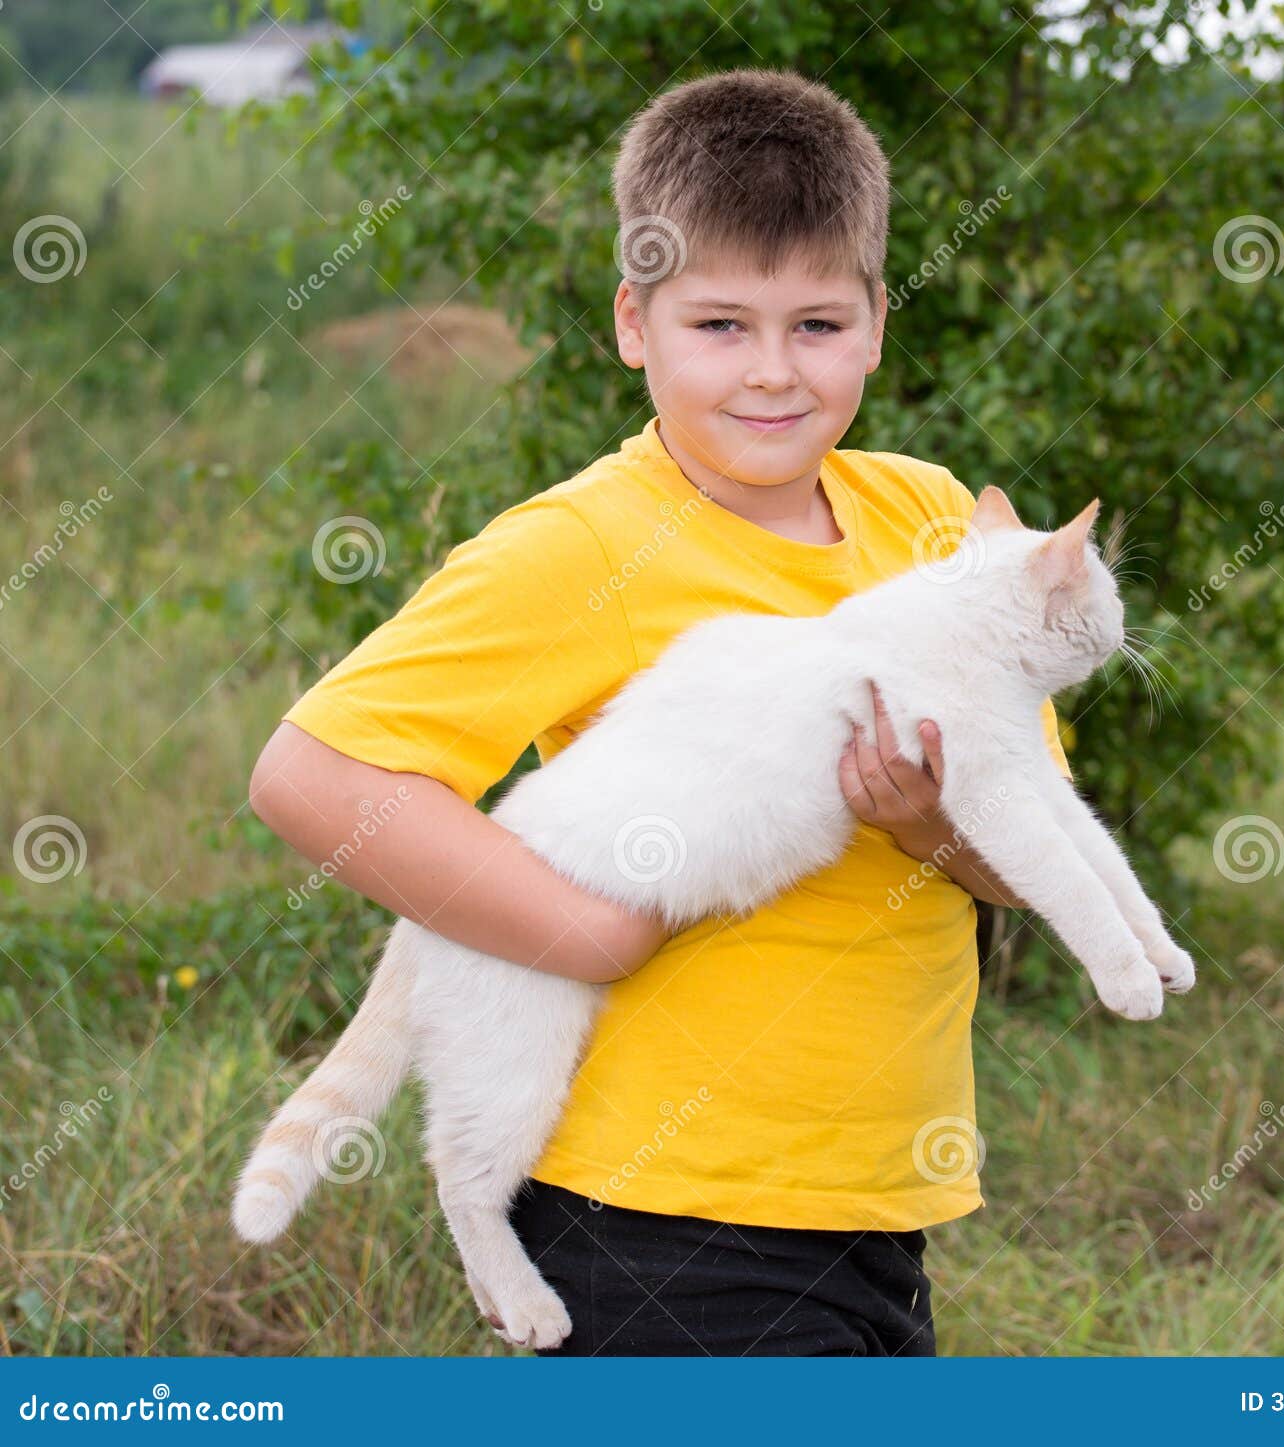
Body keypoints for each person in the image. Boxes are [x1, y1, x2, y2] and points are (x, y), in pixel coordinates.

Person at [248, 65, 1074, 1356]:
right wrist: (589, 931)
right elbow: (312, 775)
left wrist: (926, 833)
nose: (771, 375)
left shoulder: (929, 520)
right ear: (634, 323)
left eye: (816, 325)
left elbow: (1024, 851)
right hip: (657, 1224)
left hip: (875, 1209)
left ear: (876, 322)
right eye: (719, 326)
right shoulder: (587, 545)